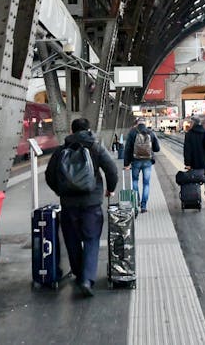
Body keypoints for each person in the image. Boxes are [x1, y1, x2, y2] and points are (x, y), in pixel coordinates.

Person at [45, 118, 118, 297]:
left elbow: (49, 175)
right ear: (89, 129)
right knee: (92, 239)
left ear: (72, 130)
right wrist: (110, 189)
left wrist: (60, 191)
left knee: (72, 240)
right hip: (91, 202)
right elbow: (111, 169)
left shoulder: (62, 150)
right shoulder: (95, 147)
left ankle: (78, 274)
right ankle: (87, 280)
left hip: (69, 204)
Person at [123, 117, 160, 213]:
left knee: (135, 181)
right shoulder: (150, 132)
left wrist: (126, 164)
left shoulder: (132, 132)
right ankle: (144, 206)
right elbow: (157, 149)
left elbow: (127, 149)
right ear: (145, 123)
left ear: (137, 123)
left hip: (135, 161)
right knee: (146, 184)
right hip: (148, 161)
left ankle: (136, 202)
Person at [183, 115, 205, 209]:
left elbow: (187, 150)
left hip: (194, 162)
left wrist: (187, 163)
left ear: (194, 123)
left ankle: (197, 199)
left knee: (195, 180)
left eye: (190, 122)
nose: (189, 124)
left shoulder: (189, 134)